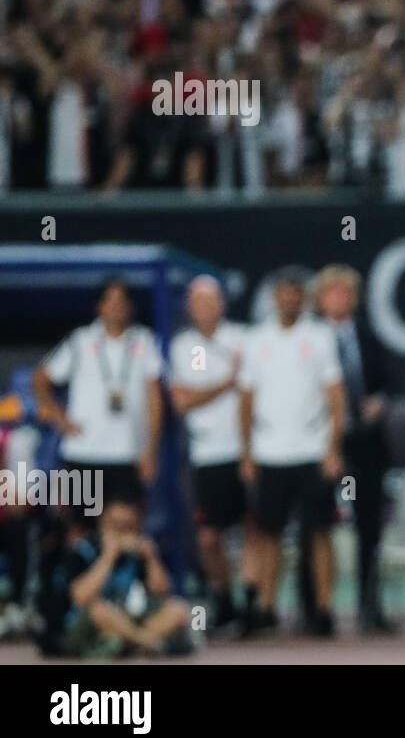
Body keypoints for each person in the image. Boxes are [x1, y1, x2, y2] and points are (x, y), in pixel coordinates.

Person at [238, 268, 346, 637]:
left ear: (304, 299)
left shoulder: (319, 337)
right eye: (284, 295)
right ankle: (267, 608)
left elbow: (336, 397)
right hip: (269, 453)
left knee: (320, 534)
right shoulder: (256, 340)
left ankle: (324, 608)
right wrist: (247, 453)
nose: (289, 301)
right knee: (269, 534)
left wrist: (332, 449)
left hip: (312, 452)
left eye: (295, 295)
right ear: (274, 299)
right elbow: (246, 401)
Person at [33, 276, 164, 507]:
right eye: (109, 300)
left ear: (130, 306)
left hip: (129, 452)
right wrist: (55, 414)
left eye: (121, 300)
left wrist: (151, 449)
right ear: (99, 306)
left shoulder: (145, 341)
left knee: (126, 526)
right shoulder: (81, 340)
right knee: (81, 530)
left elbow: (155, 399)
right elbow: (41, 378)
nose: (116, 306)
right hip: (83, 451)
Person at [315, 264, 396, 633]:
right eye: (333, 292)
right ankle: (317, 610)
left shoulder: (366, 334)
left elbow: (386, 381)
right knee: (315, 526)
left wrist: (379, 401)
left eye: (347, 293)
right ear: (321, 298)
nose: (341, 299)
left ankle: (369, 607)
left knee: (369, 528)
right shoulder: (310, 338)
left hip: (365, 443)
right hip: (318, 441)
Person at [168, 275, 247, 631]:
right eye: (199, 301)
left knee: (257, 530)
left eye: (212, 300)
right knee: (209, 537)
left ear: (223, 304)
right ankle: (225, 600)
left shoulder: (243, 339)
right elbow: (182, 400)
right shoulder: (184, 347)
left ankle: (257, 603)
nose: (207, 308)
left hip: (248, 451)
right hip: (207, 454)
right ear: (189, 306)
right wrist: (226, 384)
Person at [59, 496, 191, 658]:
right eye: (115, 525)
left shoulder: (136, 554)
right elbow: (79, 596)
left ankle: (133, 642)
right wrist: (108, 557)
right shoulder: (84, 549)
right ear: (102, 523)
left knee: (178, 609)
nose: (121, 532)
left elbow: (162, 591)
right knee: (100, 610)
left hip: (126, 619)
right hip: (88, 622)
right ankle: (148, 642)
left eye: (127, 526)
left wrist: (151, 558)